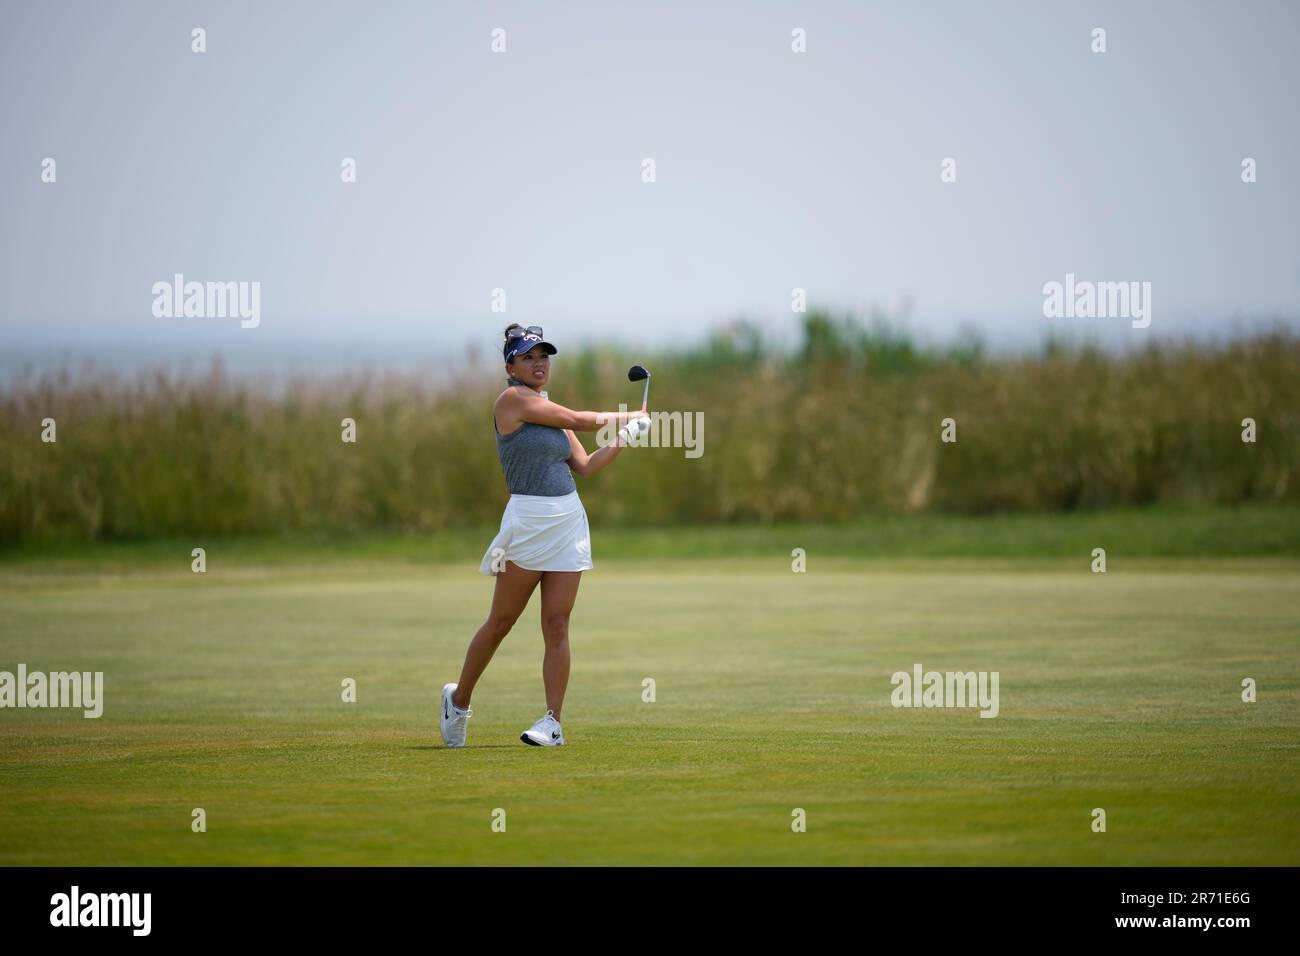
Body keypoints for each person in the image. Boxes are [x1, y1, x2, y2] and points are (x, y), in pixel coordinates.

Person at [439, 324, 650, 747]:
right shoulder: (511, 401)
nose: (539, 364)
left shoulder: (547, 407)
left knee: (556, 624)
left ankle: (552, 723)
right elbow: (579, 420)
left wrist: (627, 437)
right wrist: (631, 414)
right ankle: (458, 702)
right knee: (501, 622)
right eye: (529, 357)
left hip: (567, 521)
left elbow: (585, 466)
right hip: (529, 522)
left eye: (544, 356)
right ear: (510, 366)